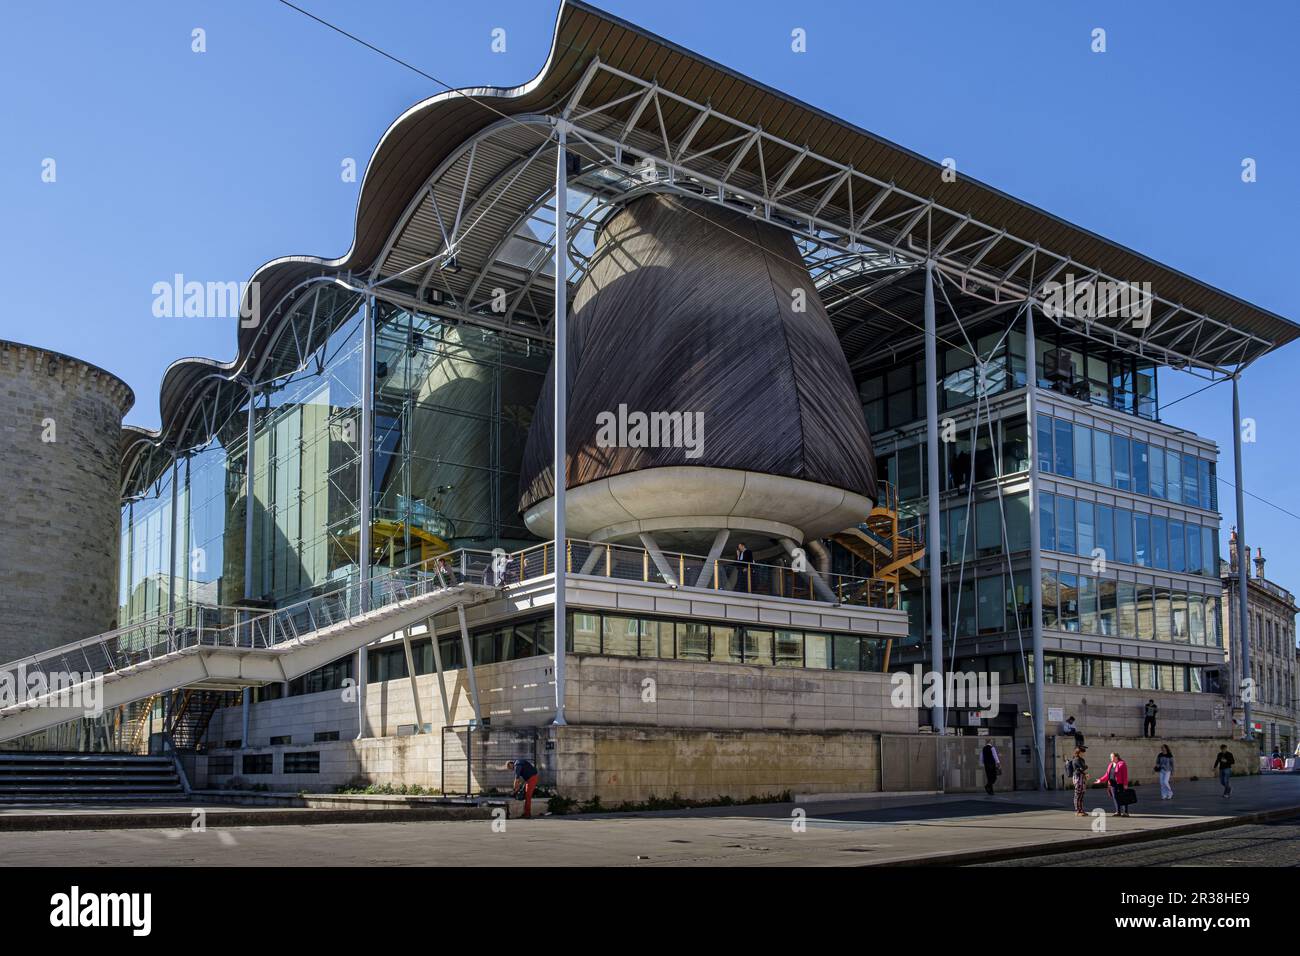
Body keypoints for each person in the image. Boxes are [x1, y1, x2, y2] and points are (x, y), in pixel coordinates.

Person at [1095, 752, 1130, 817]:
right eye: (1110, 757)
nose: (1110, 758)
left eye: (1112, 756)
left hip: (1120, 784)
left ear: (1116, 757)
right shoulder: (1110, 765)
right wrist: (1100, 780)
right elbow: (1107, 775)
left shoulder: (1122, 764)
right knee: (1115, 797)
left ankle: (1125, 812)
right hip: (1112, 783)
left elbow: (1125, 775)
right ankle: (1118, 812)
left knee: (1123, 797)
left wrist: (1125, 784)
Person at [1066, 747, 1088, 816]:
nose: (1083, 754)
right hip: (1078, 778)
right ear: (1079, 752)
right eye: (1082, 752)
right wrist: (1085, 767)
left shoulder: (1081, 759)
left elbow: (1082, 768)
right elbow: (1082, 768)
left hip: (1081, 777)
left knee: (1081, 794)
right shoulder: (1076, 759)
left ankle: (1081, 810)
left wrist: (1085, 773)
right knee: (1078, 795)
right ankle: (1078, 810)